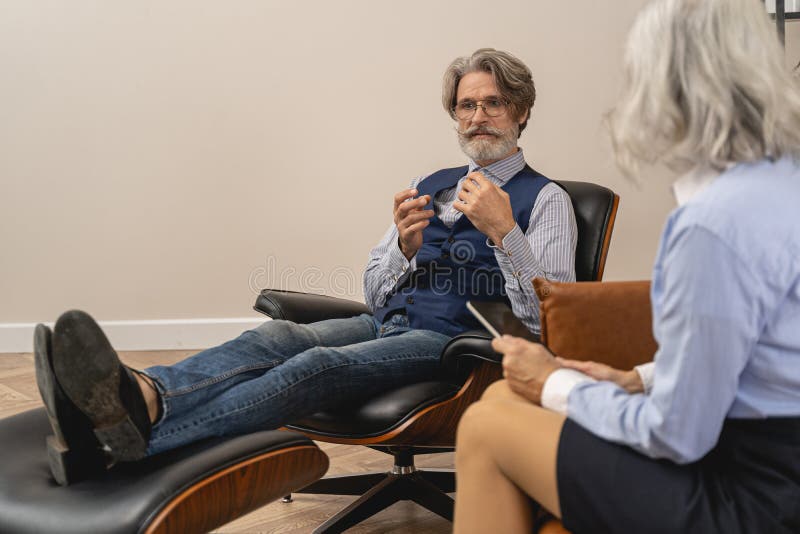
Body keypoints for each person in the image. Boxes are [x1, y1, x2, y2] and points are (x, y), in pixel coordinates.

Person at [34, 48, 577, 485]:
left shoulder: (547, 200)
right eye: (466, 105)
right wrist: (404, 249)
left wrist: (505, 233)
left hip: (457, 348)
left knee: (316, 364)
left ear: (522, 111)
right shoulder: (428, 184)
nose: (477, 117)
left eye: (493, 103)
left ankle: (118, 448)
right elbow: (376, 295)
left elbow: (551, 324)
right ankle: (144, 392)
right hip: (389, 325)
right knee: (275, 338)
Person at [453, 1, 800, 533]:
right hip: (772, 454)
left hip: (753, 496)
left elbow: (678, 434)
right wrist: (636, 379)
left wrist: (556, 383)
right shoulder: (782, 186)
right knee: (504, 394)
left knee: (485, 425)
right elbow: (765, 353)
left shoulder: (711, 226)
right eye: (466, 105)